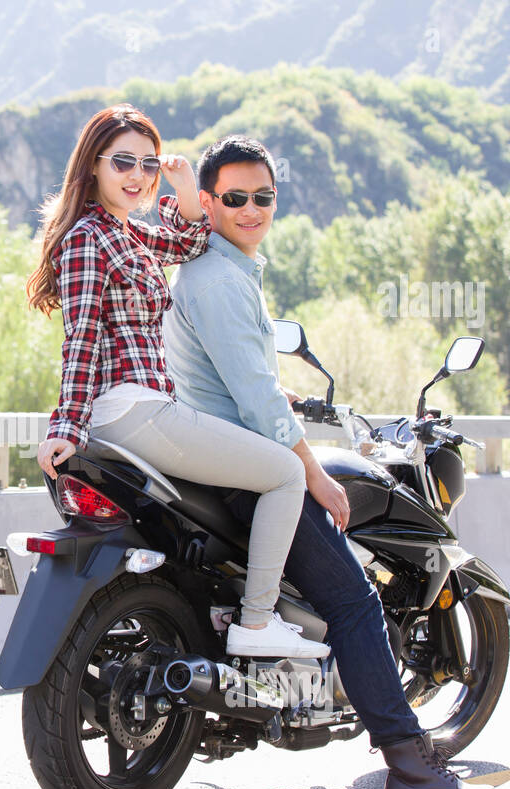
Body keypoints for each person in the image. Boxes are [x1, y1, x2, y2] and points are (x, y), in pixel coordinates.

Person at [163, 133, 498, 789]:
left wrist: (280, 397)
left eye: (263, 196)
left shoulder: (210, 271)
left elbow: (240, 383)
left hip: (214, 454)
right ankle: (410, 768)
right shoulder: (221, 279)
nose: (252, 208)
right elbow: (255, 404)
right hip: (249, 471)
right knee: (353, 601)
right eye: (235, 198)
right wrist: (314, 472)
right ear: (208, 202)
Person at [33, 103, 316, 657]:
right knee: (285, 472)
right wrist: (64, 423)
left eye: (147, 163)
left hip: (143, 411)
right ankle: (257, 623)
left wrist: (185, 184)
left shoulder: (126, 233)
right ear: (93, 165)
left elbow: (190, 241)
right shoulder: (89, 238)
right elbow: (81, 340)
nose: (137, 175)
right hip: (134, 410)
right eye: (123, 162)